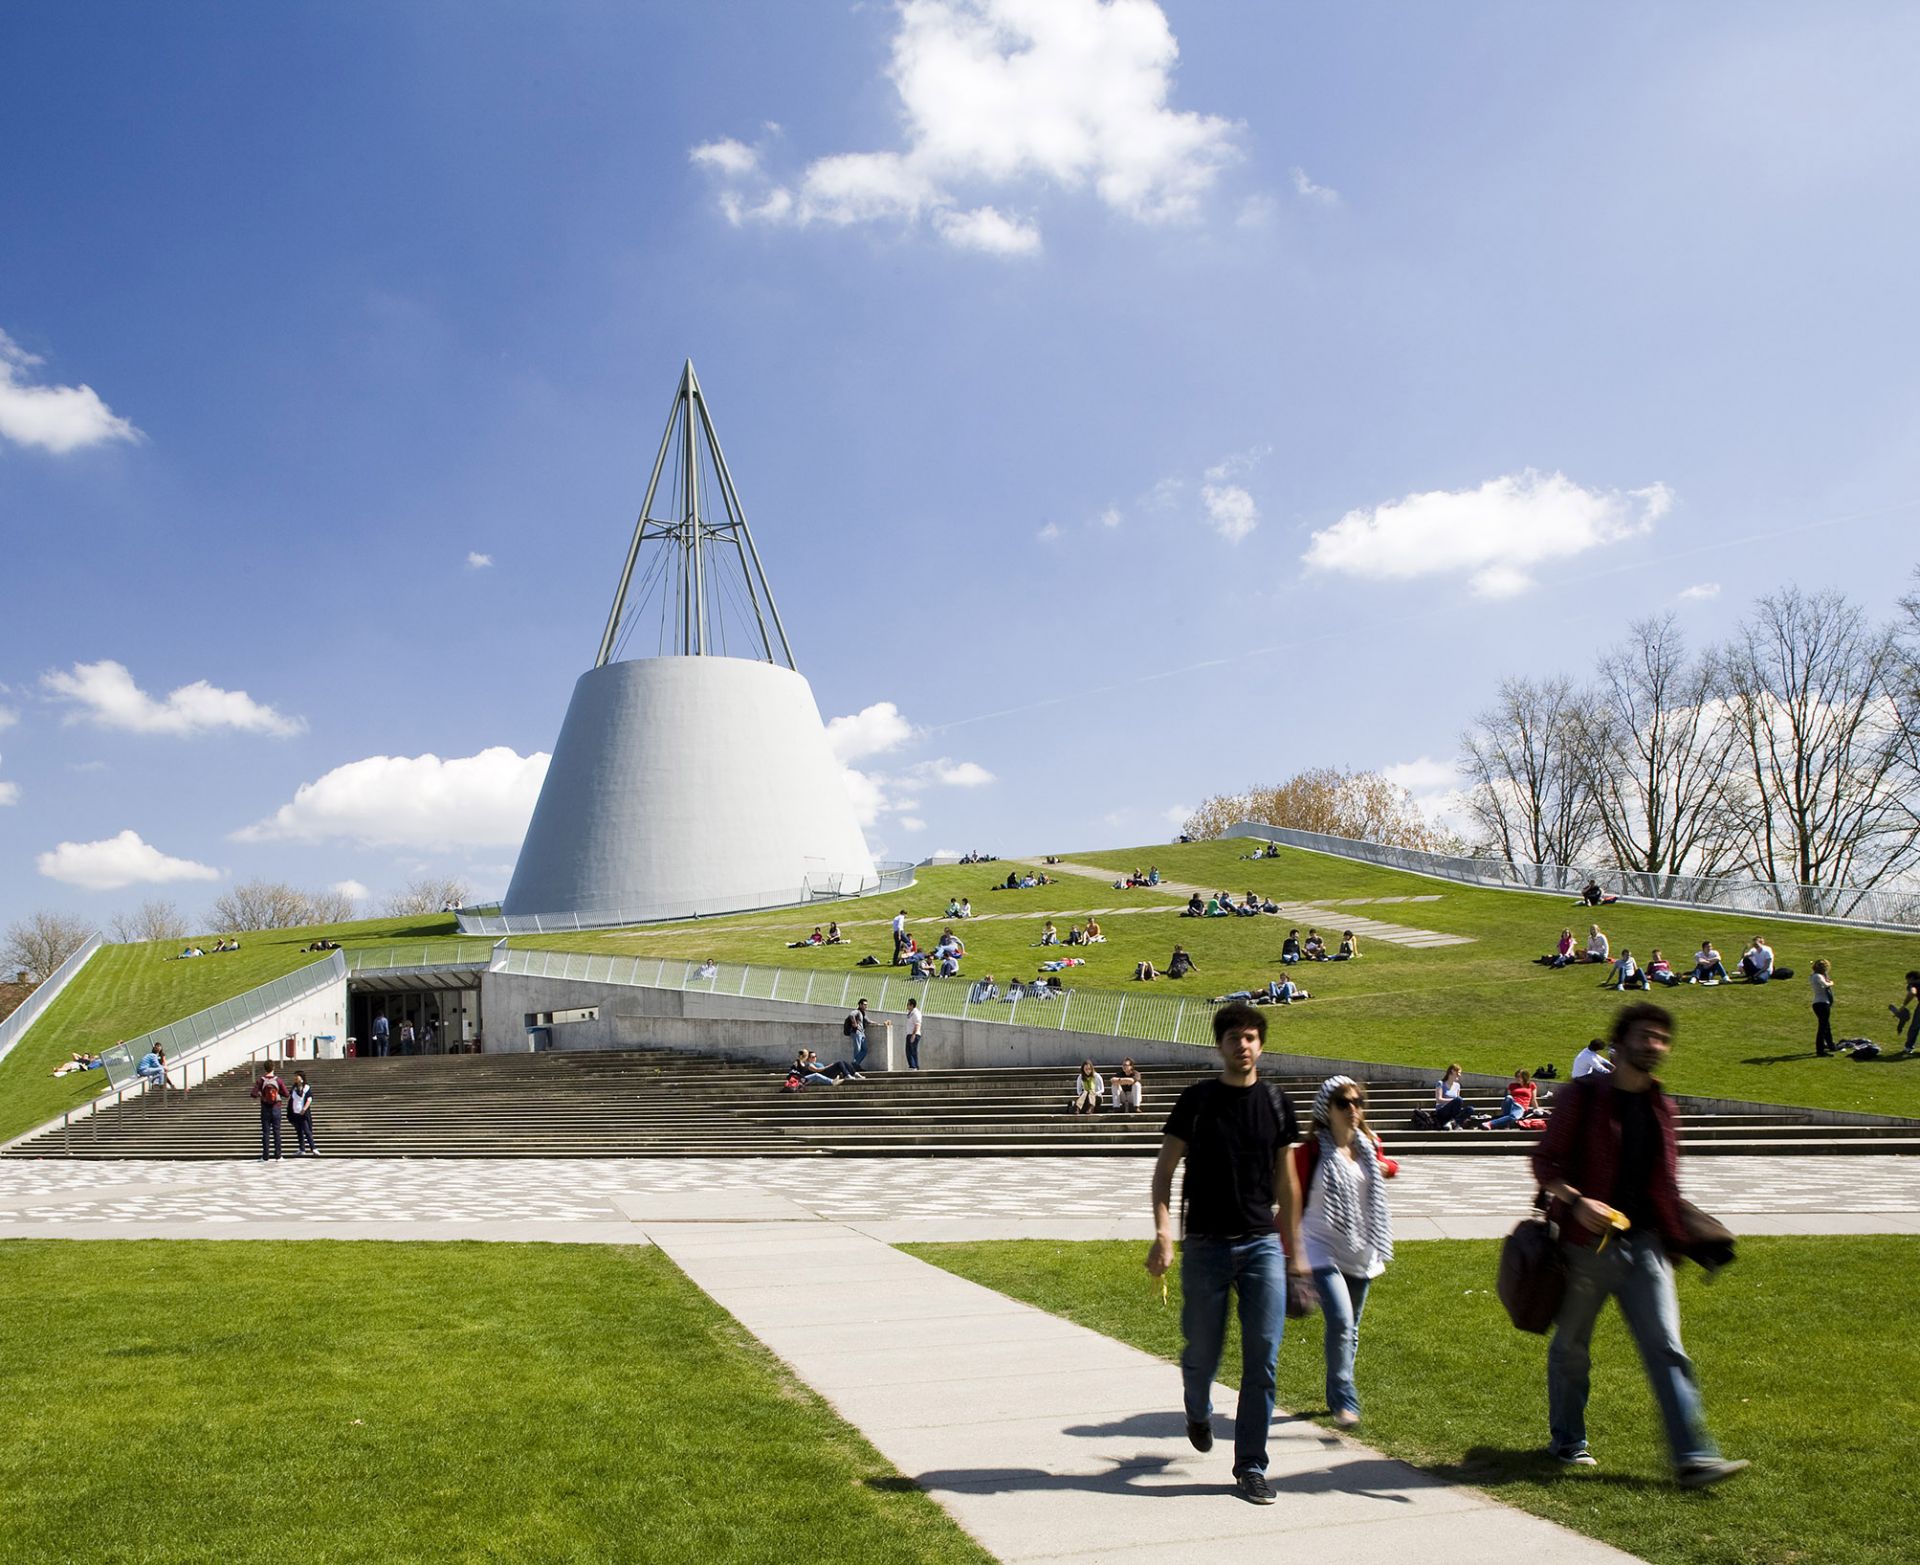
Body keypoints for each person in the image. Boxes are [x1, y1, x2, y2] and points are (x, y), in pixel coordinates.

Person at [1534, 1003, 1748, 1487]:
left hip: (1646, 1247)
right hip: (1586, 1247)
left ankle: (1693, 1457)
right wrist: (1577, 1200)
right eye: (1646, 1035)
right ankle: (1568, 1439)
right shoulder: (1583, 1098)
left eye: (1662, 1039)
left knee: (1668, 1348)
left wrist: (1690, 1238)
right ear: (1621, 1039)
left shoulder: (1661, 1106)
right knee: (1572, 1347)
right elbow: (1545, 1164)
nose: (1654, 1045)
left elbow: (1665, 1185)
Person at [1146, 1002, 1306, 1505]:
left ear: (1261, 1044)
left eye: (1252, 1037)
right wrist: (1164, 1233)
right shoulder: (1196, 1101)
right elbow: (1164, 1172)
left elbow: (1288, 1181)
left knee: (1263, 1358)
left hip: (1261, 1244)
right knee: (1202, 1351)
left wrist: (1295, 1253)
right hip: (1207, 1245)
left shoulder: (1278, 1104)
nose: (1244, 1045)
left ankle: (1251, 1466)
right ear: (1220, 1044)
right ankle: (1197, 1407)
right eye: (1235, 1036)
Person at [1298, 1076, 1394, 1429]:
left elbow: (1388, 1165)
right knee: (1340, 1320)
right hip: (1320, 1246)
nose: (1353, 1109)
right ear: (1327, 1109)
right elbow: (1291, 1199)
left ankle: (1334, 1392)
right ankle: (1345, 1401)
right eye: (1344, 1103)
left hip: (1362, 1248)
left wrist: (1388, 1168)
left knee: (1349, 1329)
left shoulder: (1369, 1145)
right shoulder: (1310, 1151)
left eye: (1358, 1102)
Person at [250, 1064, 286, 1160]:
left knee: (266, 1132)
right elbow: (286, 1094)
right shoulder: (278, 1080)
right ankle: (278, 1155)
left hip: (265, 1109)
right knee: (277, 1132)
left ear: (264, 1068)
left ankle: (265, 1156)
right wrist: (278, 1093)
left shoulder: (261, 1080)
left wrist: (261, 1094)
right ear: (273, 1068)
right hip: (276, 1108)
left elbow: (253, 1094)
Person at [1433, 1063, 1477, 1129]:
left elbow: (1458, 1105)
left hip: (1453, 1113)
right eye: (1458, 1073)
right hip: (1442, 1110)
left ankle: (1453, 1122)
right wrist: (1453, 1101)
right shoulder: (1441, 1083)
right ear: (1453, 1071)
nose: (1460, 1075)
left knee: (1470, 1109)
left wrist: (1456, 1102)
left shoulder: (1457, 1085)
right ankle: (1454, 1123)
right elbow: (1438, 1100)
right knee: (1458, 1099)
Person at [1810, 959, 1836, 1055]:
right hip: (1822, 1004)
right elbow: (1825, 985)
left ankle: (1830, 1045)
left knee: (1826, 1026)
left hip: (1819, 1003)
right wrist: (1831, 983)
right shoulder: (1817, 976)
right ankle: (1820, 1050)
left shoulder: (1814, 976)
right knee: (1822, 1027)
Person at [288, 1071, 317, 1156]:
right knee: (299, 1131)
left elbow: (309, 1099)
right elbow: (290, 1098)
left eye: (297, 1076)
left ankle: (313, 1148)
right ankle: (302, 1149)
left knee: (307, 1131)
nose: (296, 1078)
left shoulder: (307, 1088)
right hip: (295, 1113)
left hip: (303, 1113)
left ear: (301, 1078)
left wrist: (304, 1108)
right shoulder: (294, 1088)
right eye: (295, 1076)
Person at [1895, 971, 1920, 1057]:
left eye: (1907, 980)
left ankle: (1908, 1047)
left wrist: (1904, 1005)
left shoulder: (1913, 985)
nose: (1907, 982)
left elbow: (1912, 992)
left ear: (1912, 978)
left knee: (1915, 1027)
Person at [845, 1000, 871, 1070]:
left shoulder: (863, 1013)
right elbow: (851, 1015)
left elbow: (868, 1021)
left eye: (866, 1005)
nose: (866, 1006)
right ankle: (855, 1066)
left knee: (864, 1050)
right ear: (860, 1004)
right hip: (856, 1033)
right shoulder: (857, 1011)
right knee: (858, 1049)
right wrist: (854, 1023)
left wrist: (879, 1023)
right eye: (864, 1004)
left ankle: (855, 1063)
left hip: (862, 1034)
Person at [904, 998, 923, 1071]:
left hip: (914, 1034)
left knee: (913, 1050)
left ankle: (914, 1066)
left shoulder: (916, 1013)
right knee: (908, 1050)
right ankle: (912, 1065)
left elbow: (917, 1024)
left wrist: (913, 1035)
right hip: (909, 1034)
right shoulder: (910, 1013)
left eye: (908, 1004)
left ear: (912, 1005)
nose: (907, 1006)